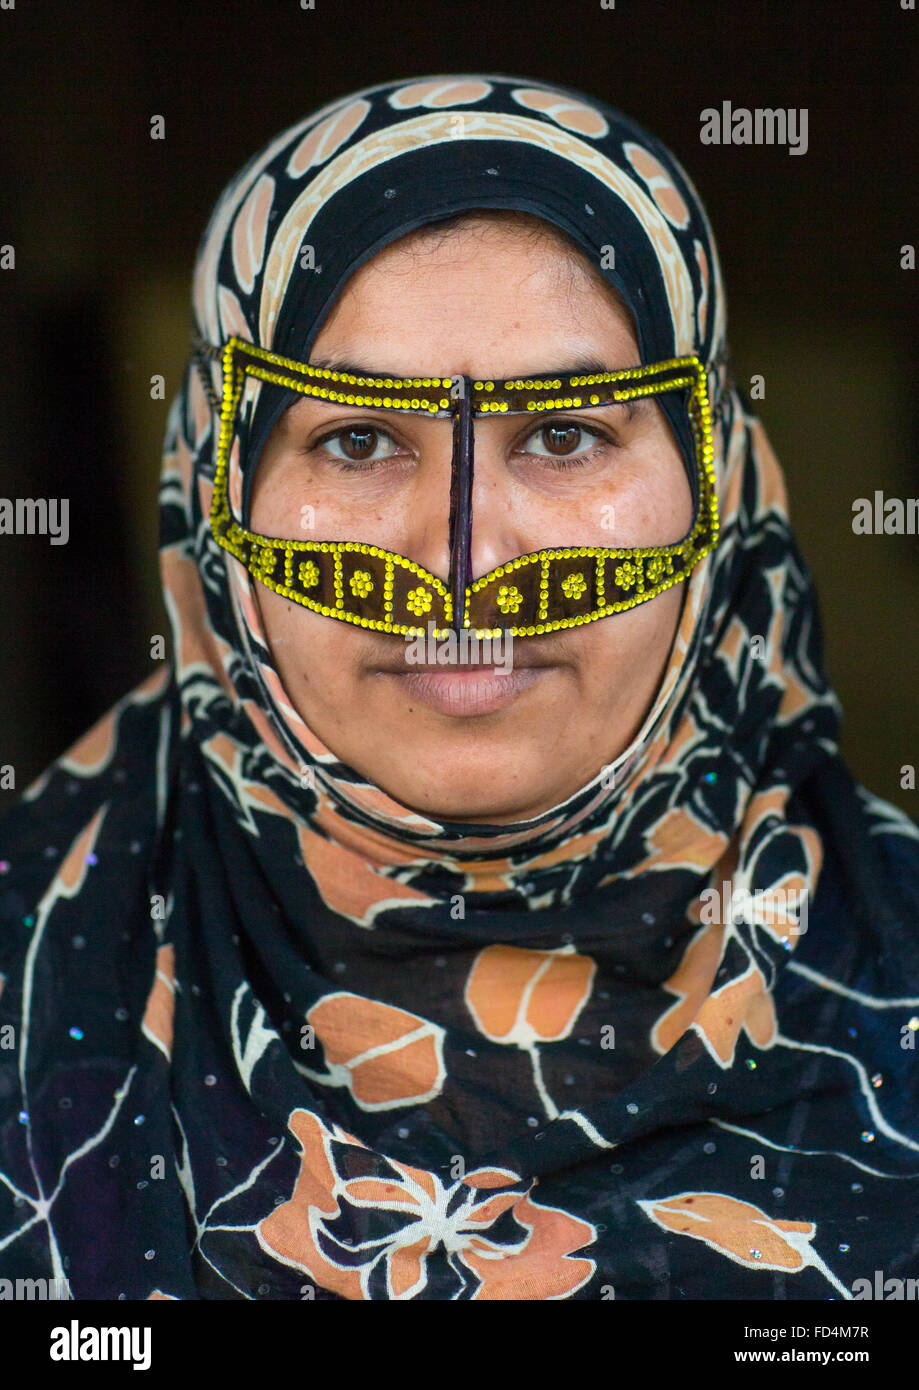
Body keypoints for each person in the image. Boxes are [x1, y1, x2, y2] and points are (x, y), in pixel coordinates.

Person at [1, 73, 917, 1302]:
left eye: (565, 435)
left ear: (720, 488)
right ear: (214, 494)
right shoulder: (34, 958)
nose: (462, 563)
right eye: (358, 440)